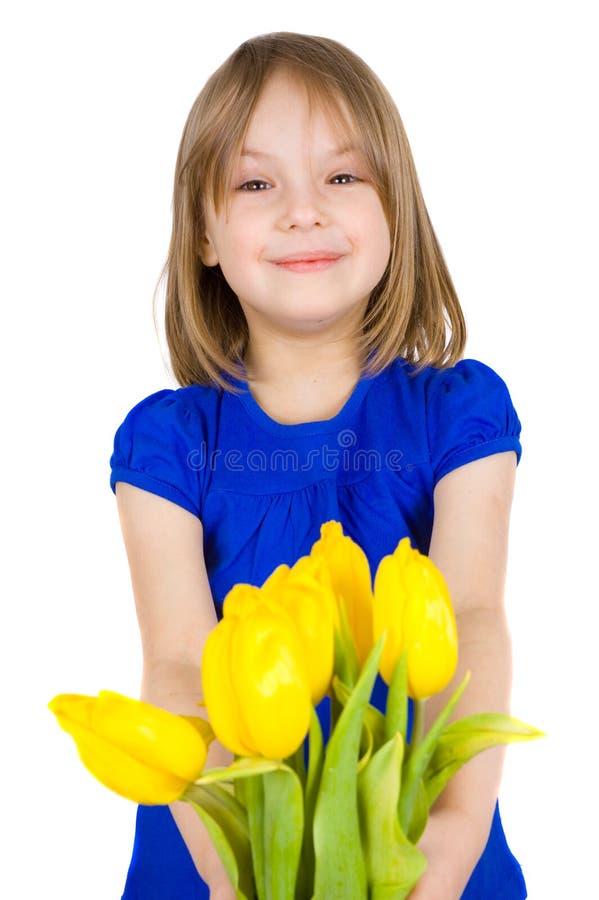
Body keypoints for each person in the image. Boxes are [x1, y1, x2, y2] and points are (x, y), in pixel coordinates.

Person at [109, 31, 526, 900]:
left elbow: (471, 616)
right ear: (206, 237)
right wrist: (234, 870)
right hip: (214, 860)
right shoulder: (170, 443)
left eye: (343, 177)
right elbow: (179, 662)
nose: (304, 210)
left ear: (394, 213)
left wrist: (450, 837)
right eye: (256, 184)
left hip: (427, 852)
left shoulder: (455, 415)